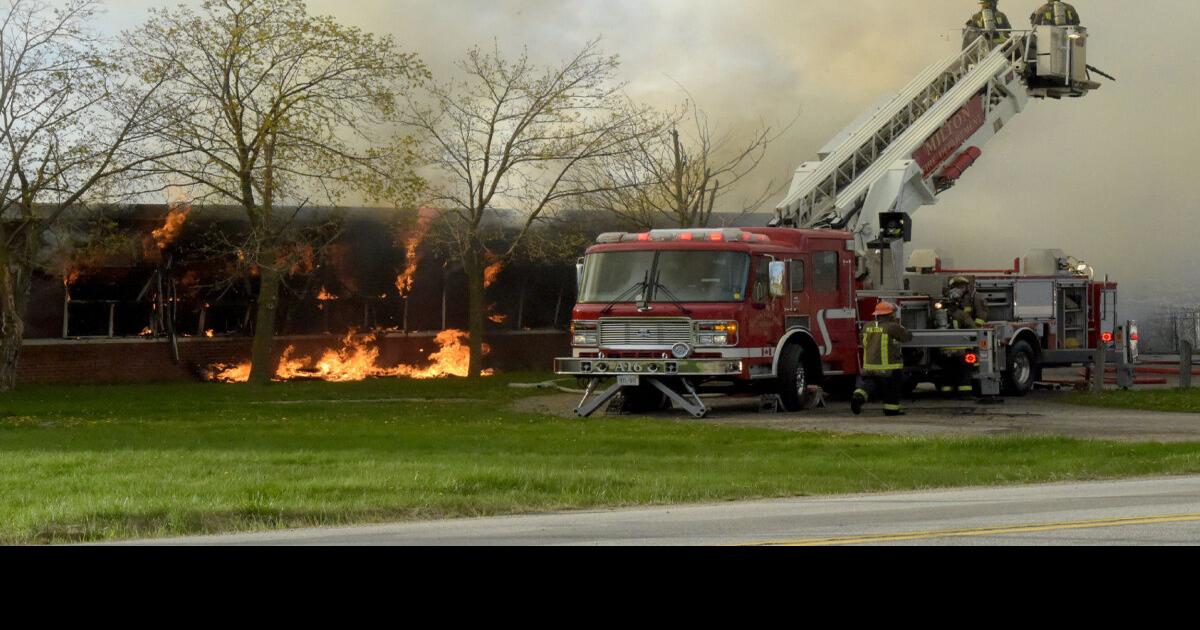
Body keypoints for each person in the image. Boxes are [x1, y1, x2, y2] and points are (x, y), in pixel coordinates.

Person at [852, 301, 912, 417]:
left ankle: (858, 396)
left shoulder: (867, 326)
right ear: (890, 315)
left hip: (870, 366)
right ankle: (891, 409)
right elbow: (906, 337)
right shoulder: (892, 327)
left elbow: (863, 342)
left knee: (870, 384)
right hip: (890, 366)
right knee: (893, 388)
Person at [938, 277, 982, 396]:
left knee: (947, 373)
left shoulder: (940, 316)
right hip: (962, 352)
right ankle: (965, 393)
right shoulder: (962, 315)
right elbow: (974, 330)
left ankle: (946, 393)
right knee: (965, 372)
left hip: (945, 353)